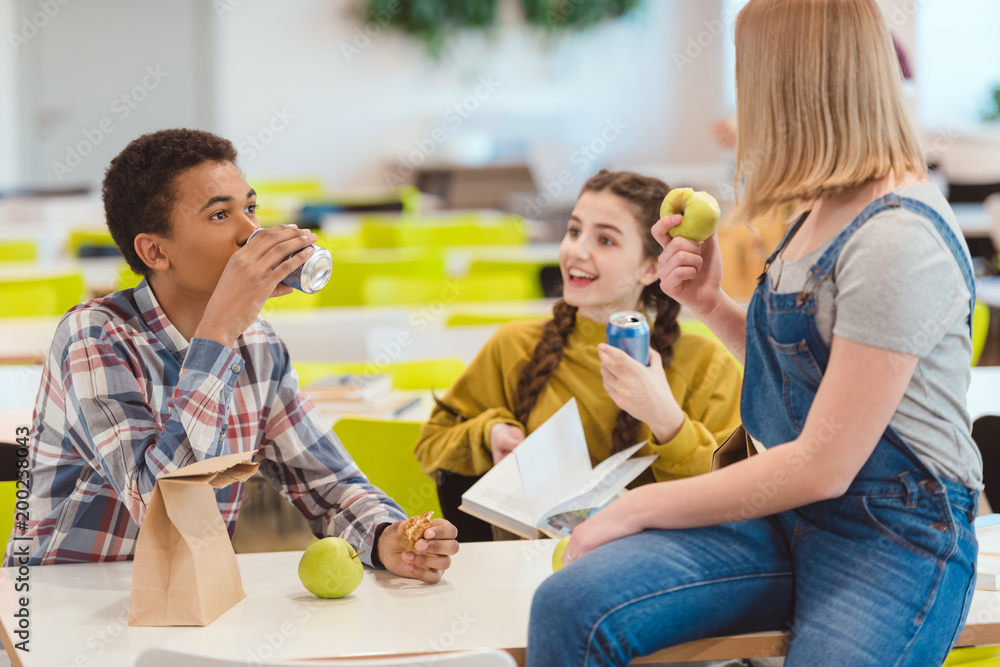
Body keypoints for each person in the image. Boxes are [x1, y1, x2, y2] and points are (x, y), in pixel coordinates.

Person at [528, 1, 981, 665]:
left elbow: (825, 460)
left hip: (892, 534)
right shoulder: (823, 208)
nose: (745, 101)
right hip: (788, 513)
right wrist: (710, 303)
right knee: (570, 603)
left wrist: (638, 509)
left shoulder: (895, 236)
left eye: (751, 75)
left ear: (795, 85)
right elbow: (805, 379)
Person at [6, 129, 458, 583]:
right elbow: (160, 506)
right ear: (155, 251)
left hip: (191, 598)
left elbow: (330, 486)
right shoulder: (94, 336)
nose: (251, 233)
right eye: (221, 214)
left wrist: (385, 536)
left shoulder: (258, 345)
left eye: (251, 208)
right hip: (62, 603)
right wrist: (219, 330)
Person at [414, 170, 743, 518]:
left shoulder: (709, 364)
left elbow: (734, 495)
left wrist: (667, 421)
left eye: (605, 240)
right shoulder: (513, 346)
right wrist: (489, 434)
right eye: (574, 231)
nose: (576, 250)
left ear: (651, 268)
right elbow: (430, 446)